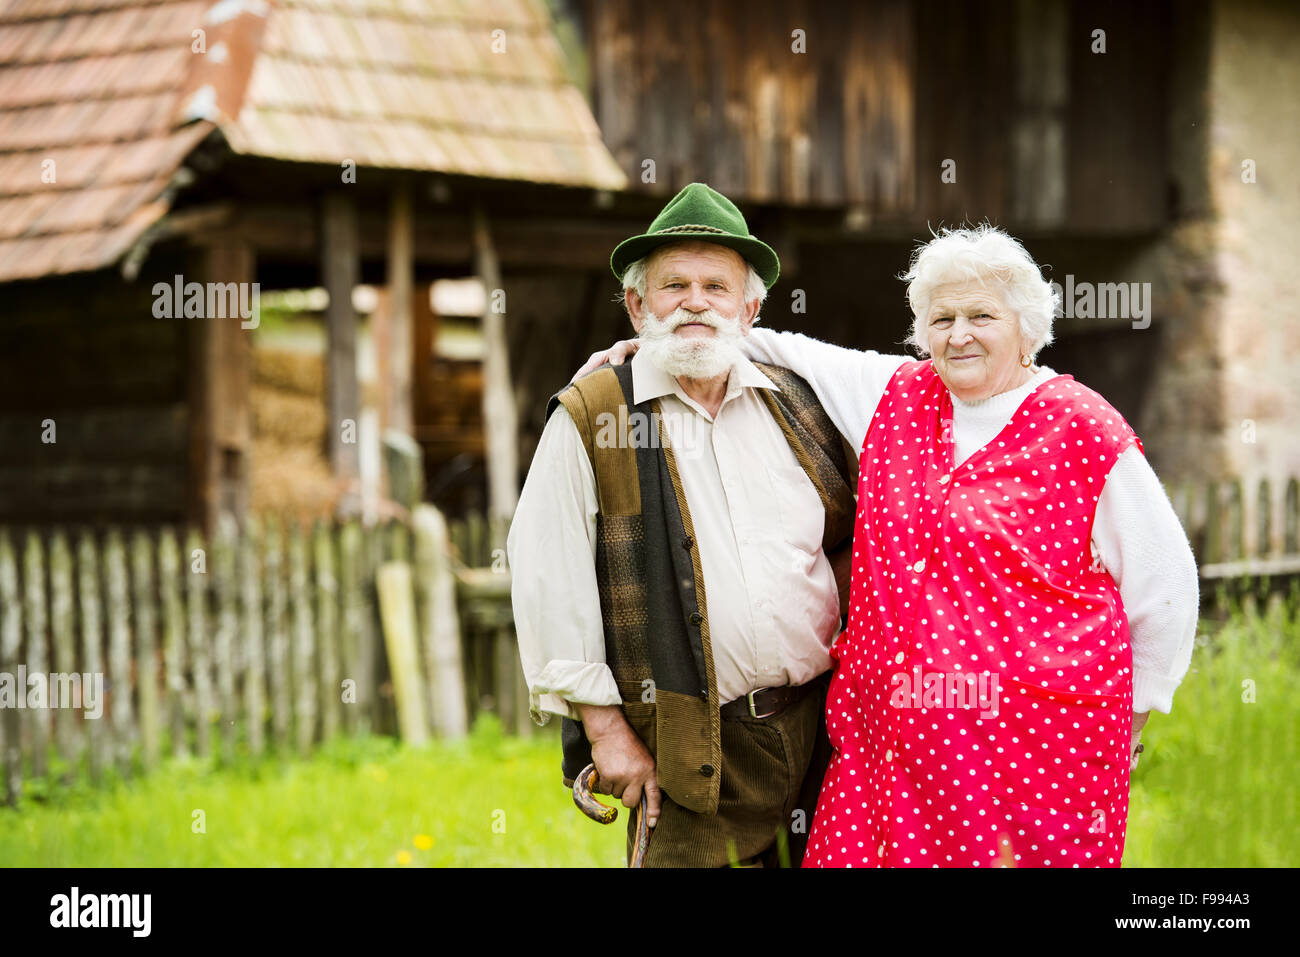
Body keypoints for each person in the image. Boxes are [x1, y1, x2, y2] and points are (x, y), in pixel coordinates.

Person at [575, 224, 1199, 867]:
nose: (959, 335)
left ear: (1027, 326)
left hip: (1032, 761)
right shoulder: (897, 394)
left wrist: (1131, 723)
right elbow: (784, 345)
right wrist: (670, 338)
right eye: (941, 317)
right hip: (885, 765)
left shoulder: (1082, 426)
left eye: (981, 315)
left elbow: (1166, 584)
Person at [508, 183, 860, 867]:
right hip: (692, 749)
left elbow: (857, 534)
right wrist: (605, 730)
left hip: (822, 734)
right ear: (638, 305)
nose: (695, 301)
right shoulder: (595, 413)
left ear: (748, 307)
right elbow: (548, 572)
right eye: (673, 285)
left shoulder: (801, 403)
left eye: (714, 286)